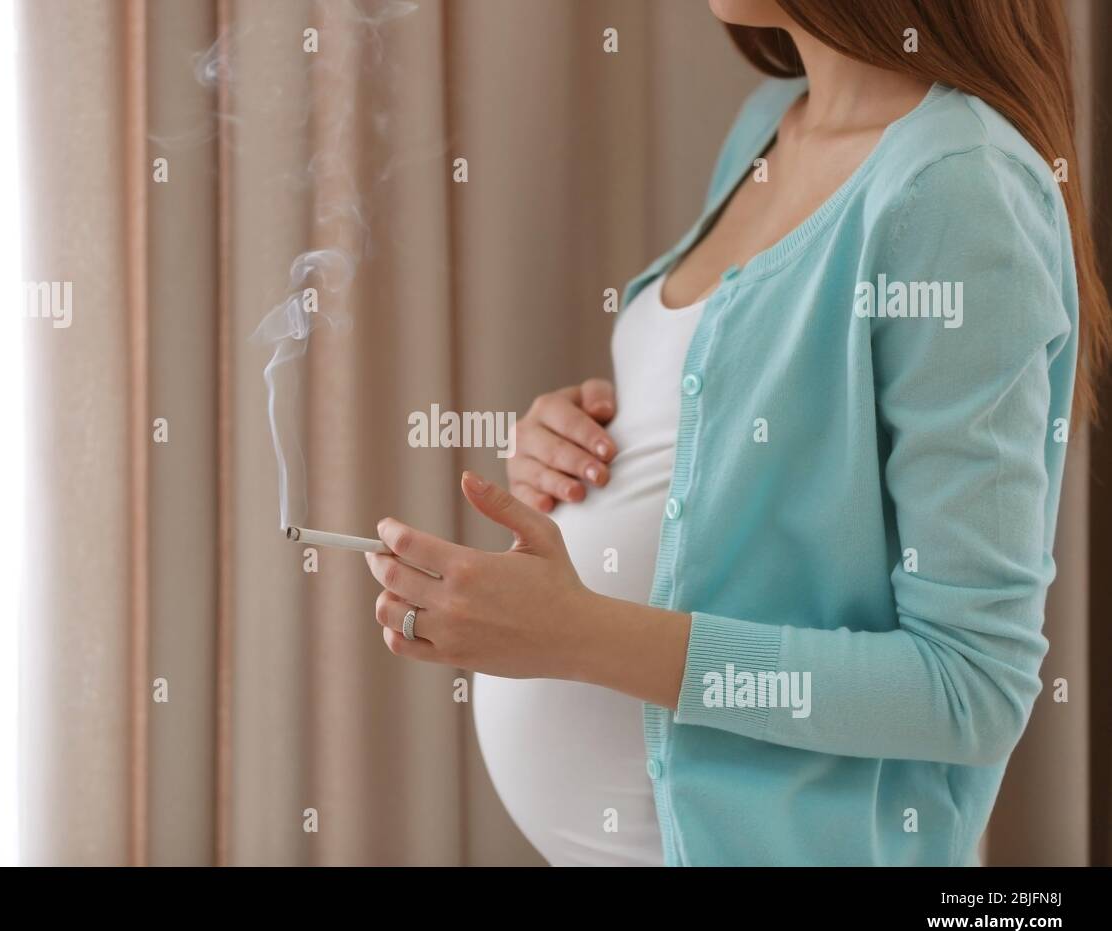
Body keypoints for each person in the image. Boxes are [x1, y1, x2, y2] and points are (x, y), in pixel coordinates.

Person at [363, 0, 1109, 865]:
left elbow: (970, 689)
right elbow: (740, 435)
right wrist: (581, 440)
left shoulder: (959, 188)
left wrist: (578, 636)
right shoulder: (772, 123)